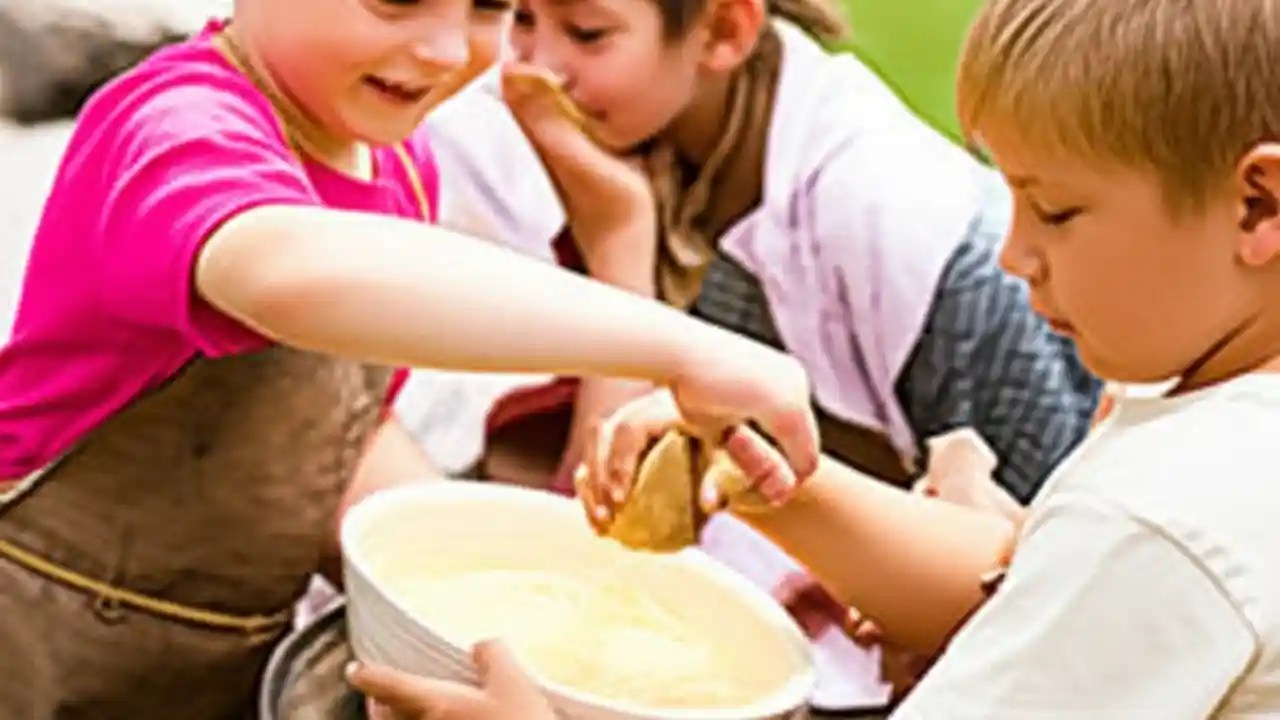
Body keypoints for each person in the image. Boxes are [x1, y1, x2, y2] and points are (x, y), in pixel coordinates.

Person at [354, 0, 1280, 715]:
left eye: (1057, 212)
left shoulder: (1162, 515)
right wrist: (756, 473)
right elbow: (1009, 584)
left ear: (1258, 207)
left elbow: (1090, 563)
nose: (1015, 254)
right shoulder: (1198, 422)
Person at [0, 0, 823, 716]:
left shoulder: (395, 164)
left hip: (199, 675)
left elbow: (337, 438)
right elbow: (285, 274)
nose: (444, 48)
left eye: (488, 5)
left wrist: (496, 593)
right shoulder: (176, 128)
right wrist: (683, 347)